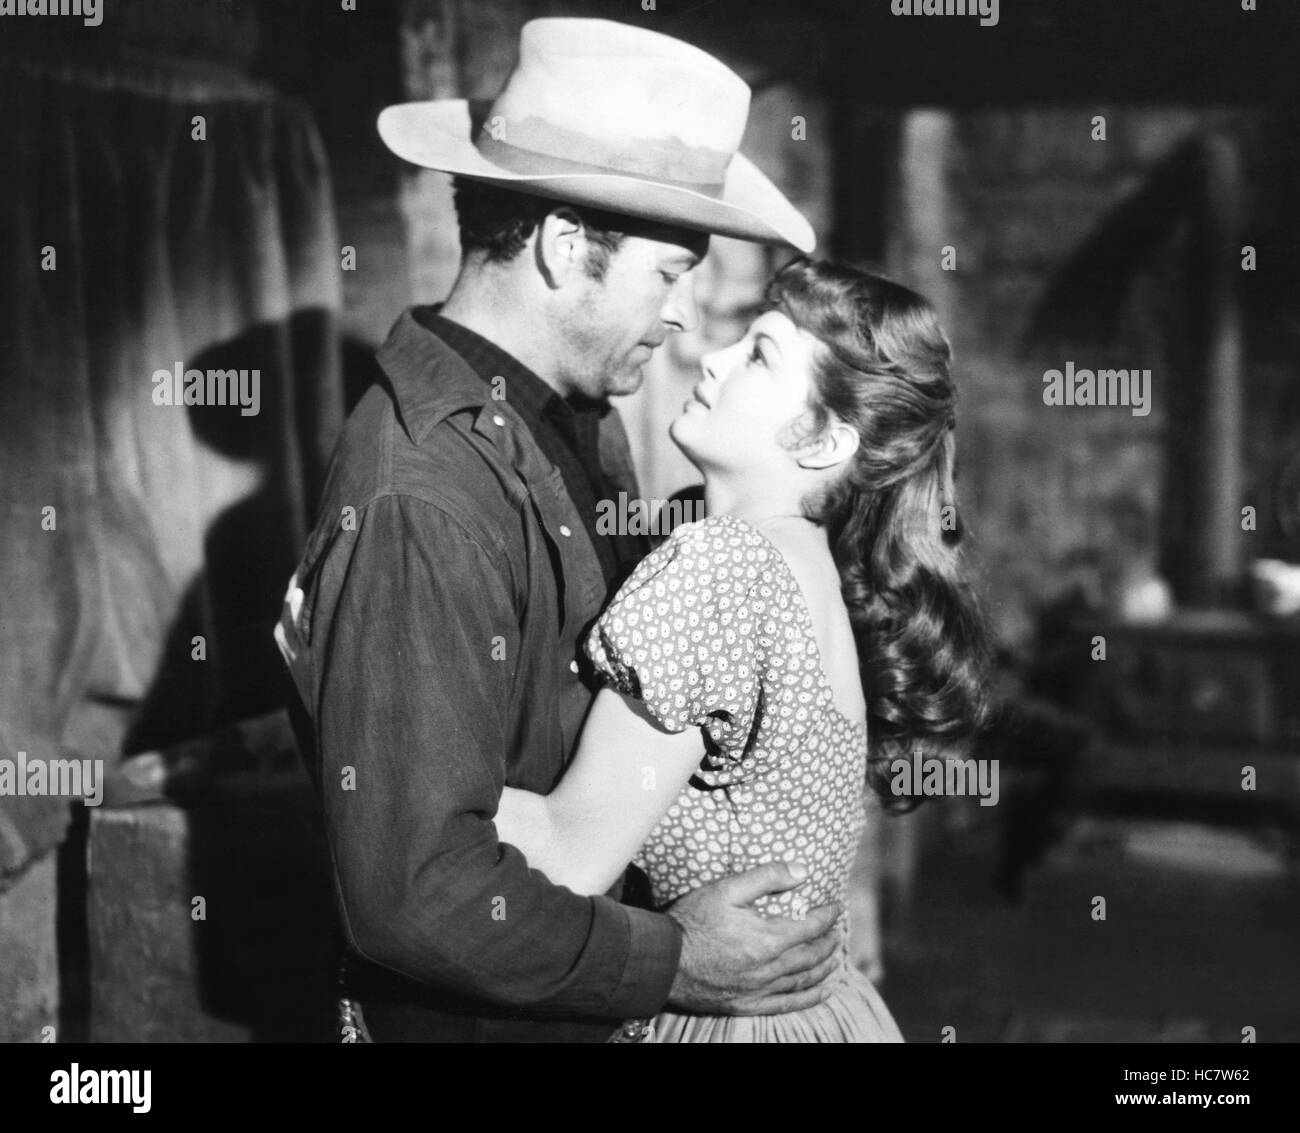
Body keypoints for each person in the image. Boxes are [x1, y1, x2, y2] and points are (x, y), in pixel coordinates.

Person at [276, 18, 841, 1042]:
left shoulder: (575, 411)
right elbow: (415, 890)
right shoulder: (426, 493)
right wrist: (676, 959)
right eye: (667, 274)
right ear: (565, 246)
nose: (681, 316)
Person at [493, 258, 993, 1042]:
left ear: (825, 437)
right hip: (824, 1015)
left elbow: (569, 850)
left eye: (758, 354)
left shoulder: (723, 566)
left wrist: (387, 771)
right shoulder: (805, 564)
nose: (714, 357)